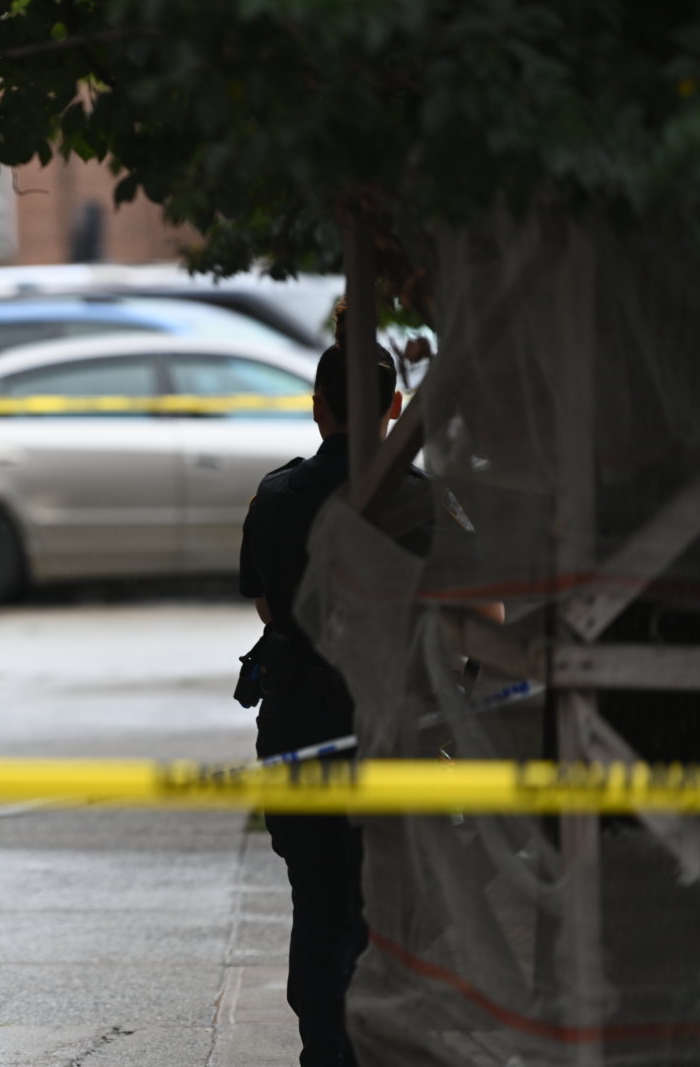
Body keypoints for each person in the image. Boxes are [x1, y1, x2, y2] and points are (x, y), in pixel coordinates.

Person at [236, 327, 407, 1067]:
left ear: (317, 408)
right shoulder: (423, 499)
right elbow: (484, 618)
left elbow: (268, 604)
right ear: (395, 406)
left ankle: (325, 1051)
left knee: (317, 898)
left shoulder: (278, 494)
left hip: (302, 725)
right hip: (399, 729)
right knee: (389, 905)